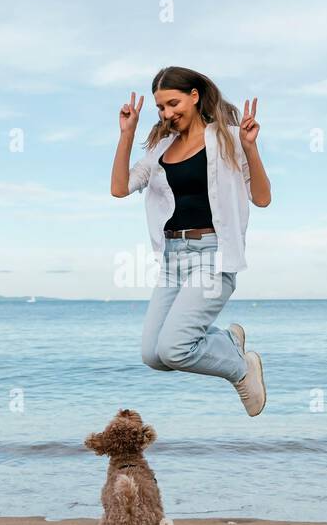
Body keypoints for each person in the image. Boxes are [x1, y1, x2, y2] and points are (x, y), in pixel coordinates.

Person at [108, 65, 272, 415]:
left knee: (174, 349)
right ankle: (227, 341)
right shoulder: (161, 149)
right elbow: (120, 188)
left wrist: (250, 148)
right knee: (153, 355)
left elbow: (262, 197)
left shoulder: (227, 137)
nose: (167, 114)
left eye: (173, 103)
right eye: (160, 108)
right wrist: (126, 134)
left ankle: (242, 370)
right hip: (172, 259)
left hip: (213, 255)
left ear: (195, 97)